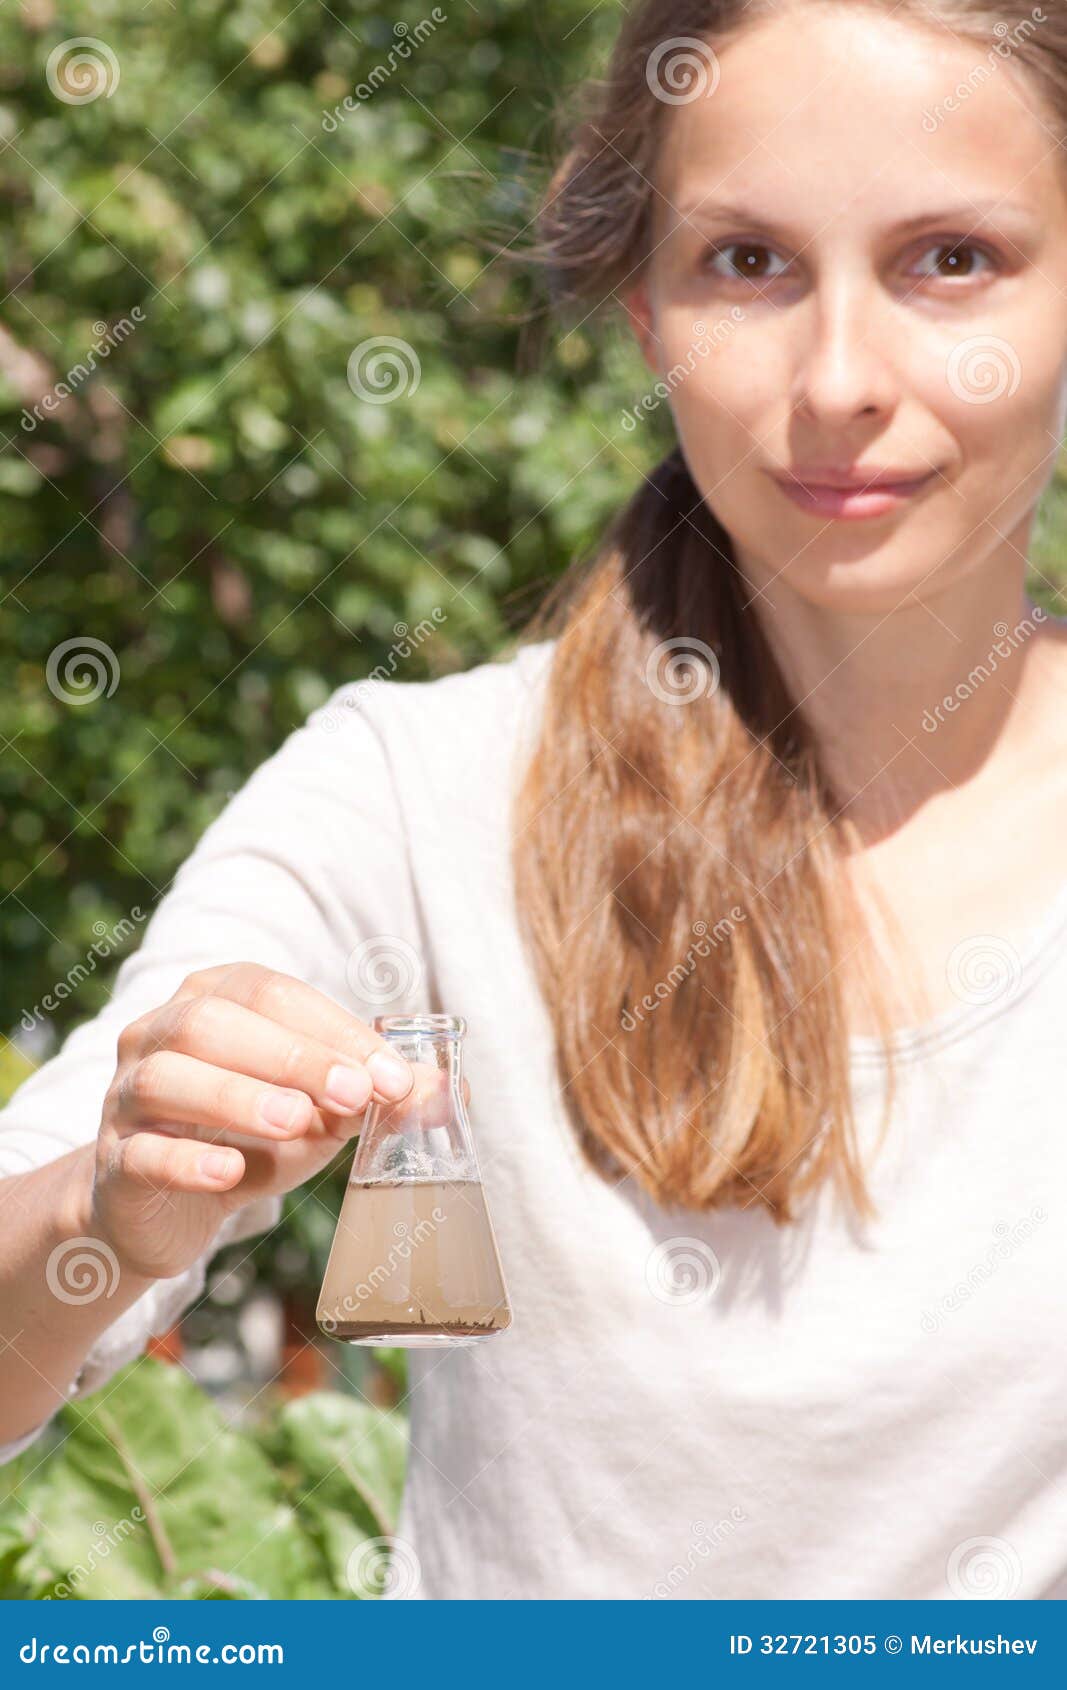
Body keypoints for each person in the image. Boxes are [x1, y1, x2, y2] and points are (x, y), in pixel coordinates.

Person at [3, 0, 1067, 1600]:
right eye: (748, 264)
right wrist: (116, 1208)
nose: (842, 378)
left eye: (951, 261)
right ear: (645, 315)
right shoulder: (412, 799)